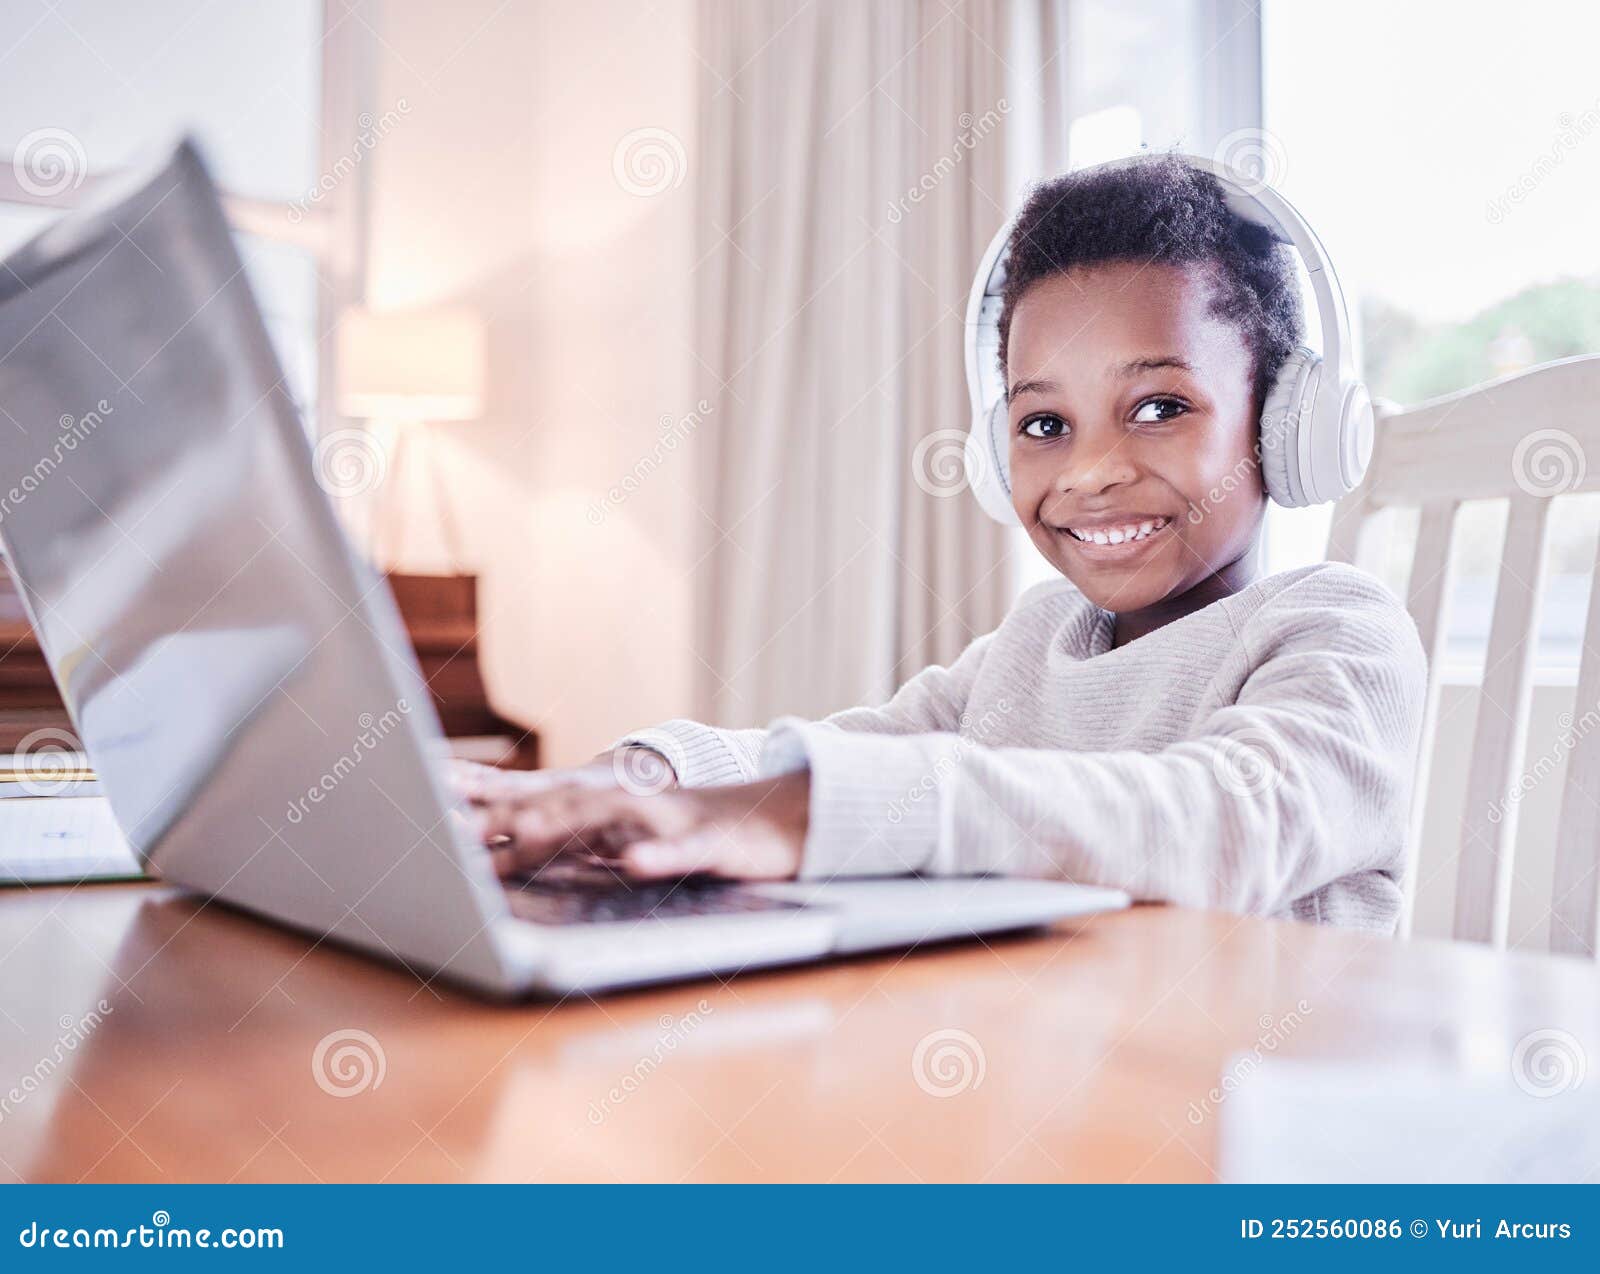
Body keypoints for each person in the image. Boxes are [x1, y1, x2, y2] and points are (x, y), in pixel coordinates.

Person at [459, 155, 1427, 931]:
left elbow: (1222, 824)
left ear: (1285, 424)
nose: (1088, 471)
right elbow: (855, 749)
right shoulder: (1037, 637)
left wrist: (798, 814)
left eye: (1158, 406)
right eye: (1042, 423)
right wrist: (633, 780)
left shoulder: (1334, 629)